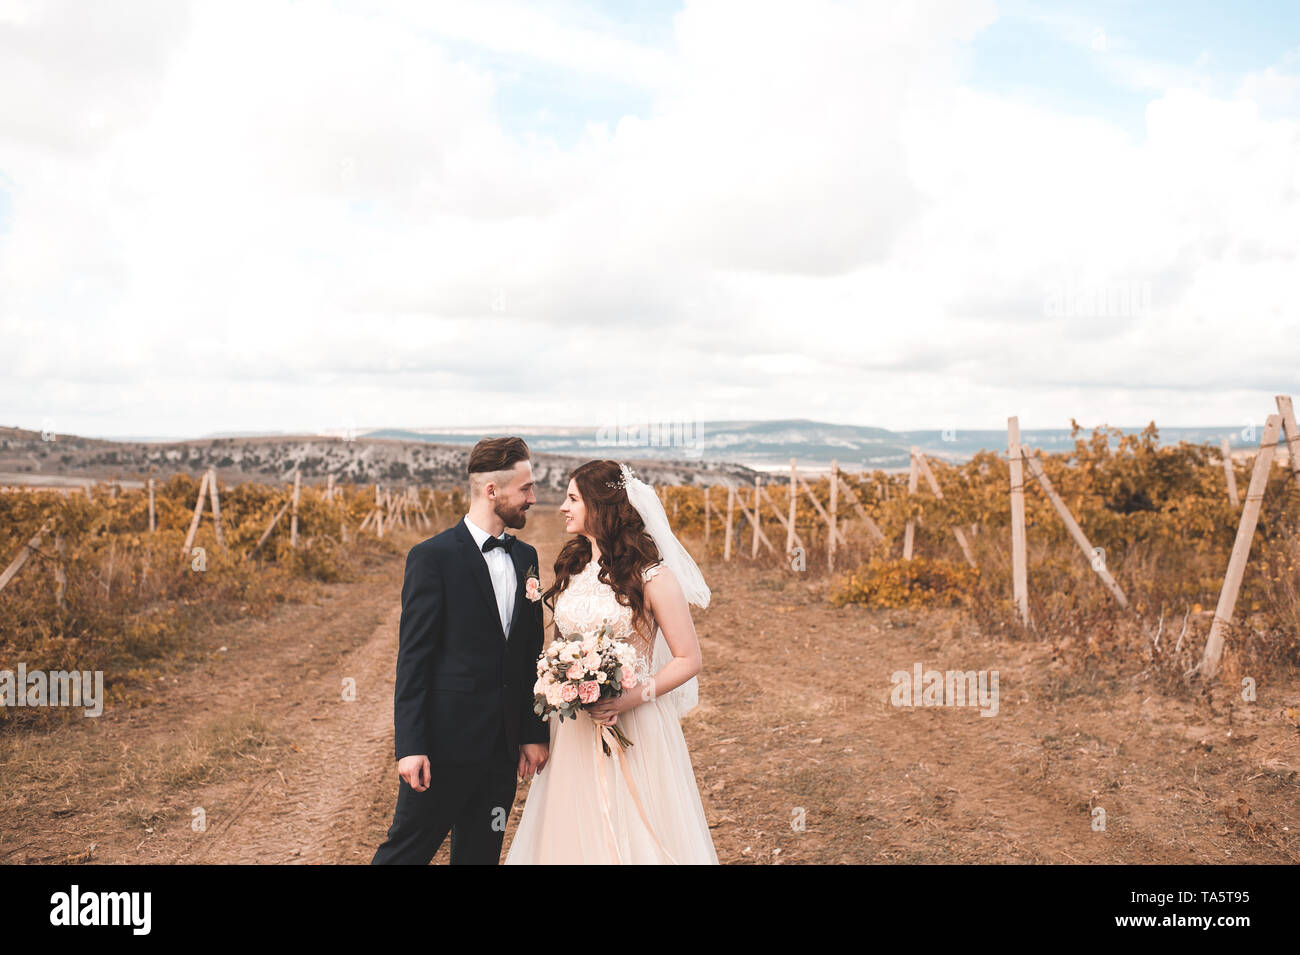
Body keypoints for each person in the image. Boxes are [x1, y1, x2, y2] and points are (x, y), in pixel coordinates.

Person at [504, 459, 719, 864]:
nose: (563, 508)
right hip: (571, 730)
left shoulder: (653, 577)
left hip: (632, 722)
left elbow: (688, 658)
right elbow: (555, 648)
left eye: (573, 499)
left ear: (601, 507)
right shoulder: (572, 567)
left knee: (635, 825)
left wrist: (627, 699)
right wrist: (561, 683)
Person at [371, 436, 549, 864]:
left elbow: (529, 654)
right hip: (442, 749)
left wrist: (531, 732)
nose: (533, 497)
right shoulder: (431, 558)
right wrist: (410, 745)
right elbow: (413, 660)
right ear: (493, 491)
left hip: (501, 752)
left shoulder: (526, 556)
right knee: (406, 853)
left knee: (480, 857)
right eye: (525, 488)